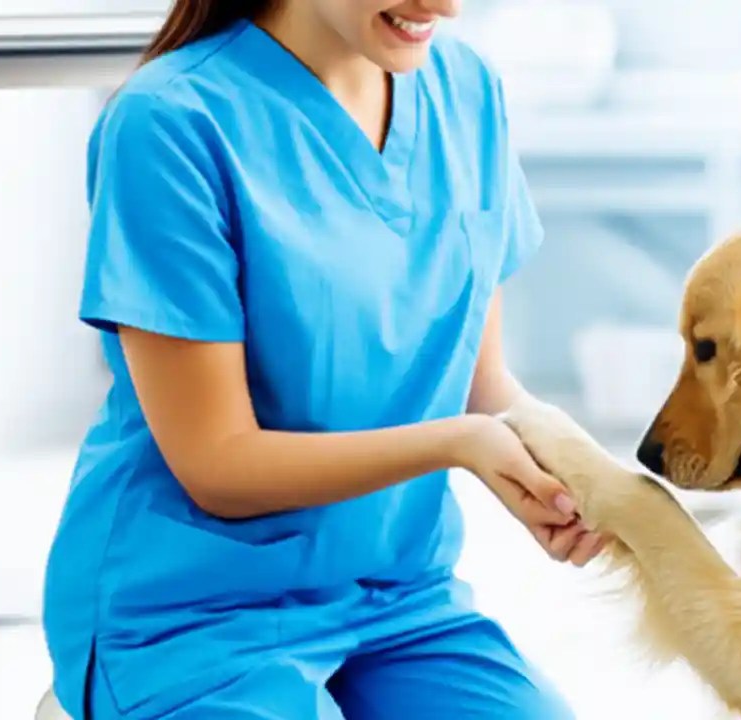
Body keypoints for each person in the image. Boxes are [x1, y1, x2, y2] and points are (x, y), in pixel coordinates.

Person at [40, 1, 604, 717]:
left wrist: (577, 471)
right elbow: (217, 463)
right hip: (191, 616)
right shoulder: (169, 124)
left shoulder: (467, 92)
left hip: (399, 601)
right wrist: (459, 445)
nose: (447, 5)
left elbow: (482, 386)